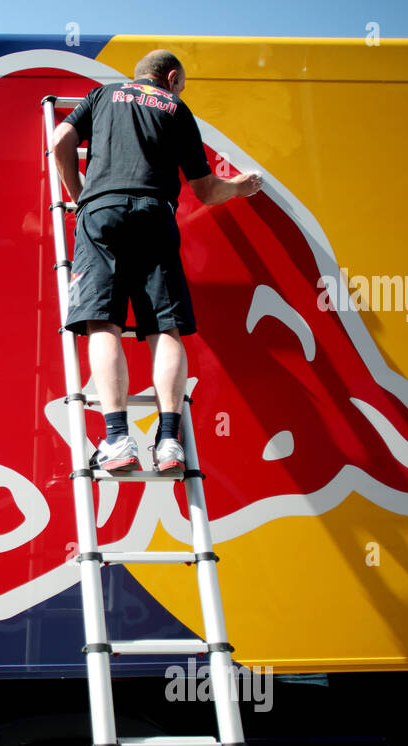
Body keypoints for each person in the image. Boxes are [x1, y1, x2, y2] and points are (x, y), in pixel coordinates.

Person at [52, 49, 262, 472]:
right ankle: (169, 442)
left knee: (103, 323)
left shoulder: (101, 95)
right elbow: (205, 190)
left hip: (100, 212)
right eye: (181, 84)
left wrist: (79, 196)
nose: (180, 90)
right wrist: (239, 188)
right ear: (169, 78)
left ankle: (117, 441)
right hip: (155, 213)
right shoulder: (175, 108)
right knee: (165, 327)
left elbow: (59, 142)